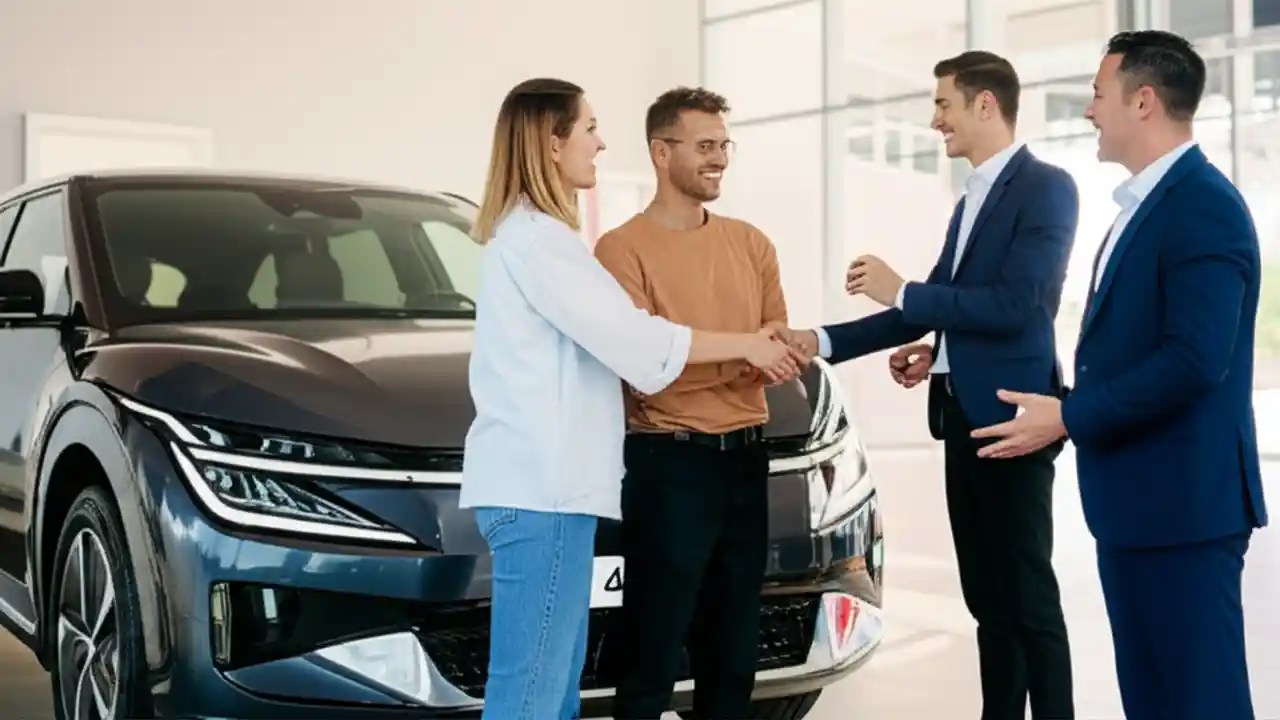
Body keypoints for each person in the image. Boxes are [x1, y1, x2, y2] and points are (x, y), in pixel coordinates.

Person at [459, 77, 802, 720]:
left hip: (552, 495)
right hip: (543, 495)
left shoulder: (540, 239)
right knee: (532, 697)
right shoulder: (539, 244)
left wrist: (739, 355)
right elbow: (638, 345)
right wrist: (747, 347)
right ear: (552, 143)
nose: (600, 143)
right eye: (589, 128)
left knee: (550, 695)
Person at [971, 30, 1268, 720]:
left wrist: (1068, 416)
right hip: (1139, 505)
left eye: (1098, 94)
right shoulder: (1145, 209)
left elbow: (1196, 360)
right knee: (1154, 701)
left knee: (1201, 702)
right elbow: (1132, 354)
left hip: (1185, 508)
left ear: (1143, 101)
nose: (1088, 110)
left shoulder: (1203, 207)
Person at [784, 51, 1079, 720]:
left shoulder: (1048, 187)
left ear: (985, 104)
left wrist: (904, 290)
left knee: (1029, 598)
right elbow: (936, 308)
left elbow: (1019, 305)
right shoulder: (971, 198)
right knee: (988, 601)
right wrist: (820, 341)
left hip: (1014, 419)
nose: (935, 118)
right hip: (959, 416)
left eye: (944, 103)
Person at [591, 86, 789, 719]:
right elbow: (645, 374)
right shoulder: (620, 250)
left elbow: (778, 349)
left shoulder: (752, 244)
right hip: (669, 467)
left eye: (724, 145)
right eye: (705, 146)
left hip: (747, 462)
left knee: (733, 655)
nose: (719, 158)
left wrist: (698, 357)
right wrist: (742, 357)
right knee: (651, 649)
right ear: (661, 151)